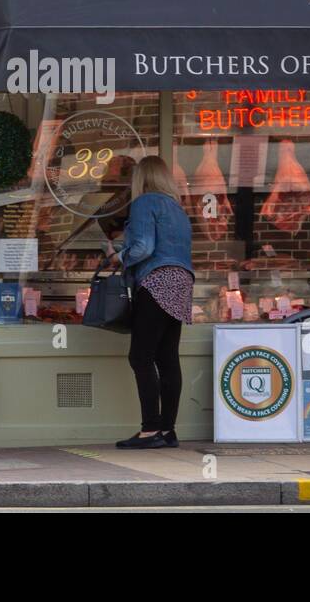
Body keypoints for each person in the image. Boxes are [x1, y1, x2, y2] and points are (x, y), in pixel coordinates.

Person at [107, 155, 195, 449]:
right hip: (182, 282)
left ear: (140, 179)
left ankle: (149, 430)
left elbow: (144, 247)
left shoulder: (145, 202)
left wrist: (117, 256)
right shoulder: (177, 209)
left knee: (140, 357)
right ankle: (168, 431)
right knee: (167, 357)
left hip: (157, 281)